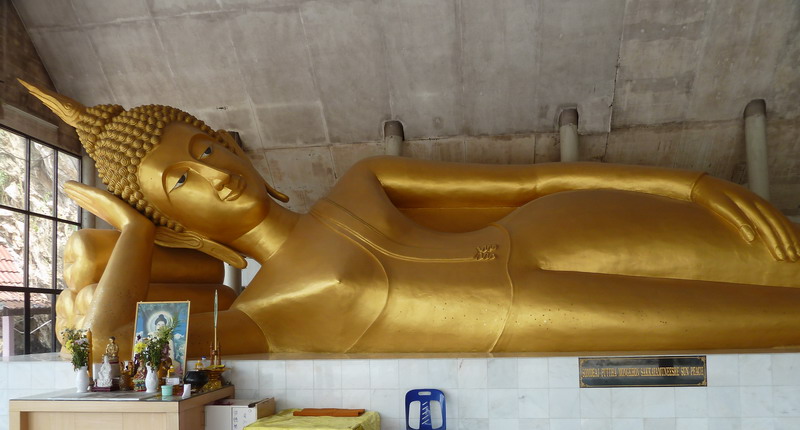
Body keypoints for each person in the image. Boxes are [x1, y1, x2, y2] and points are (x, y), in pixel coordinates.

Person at [22, 80, 800, 357]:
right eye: (182, 181)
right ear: (176, 222)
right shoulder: (264, 319)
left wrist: (691, 185)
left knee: (778, 253)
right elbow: (108, 347)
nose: (218, 174)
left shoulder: (364, 180)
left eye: (211, 146)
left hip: (558, 228)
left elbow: (535, 179)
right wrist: (132, 232)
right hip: (534, 315)